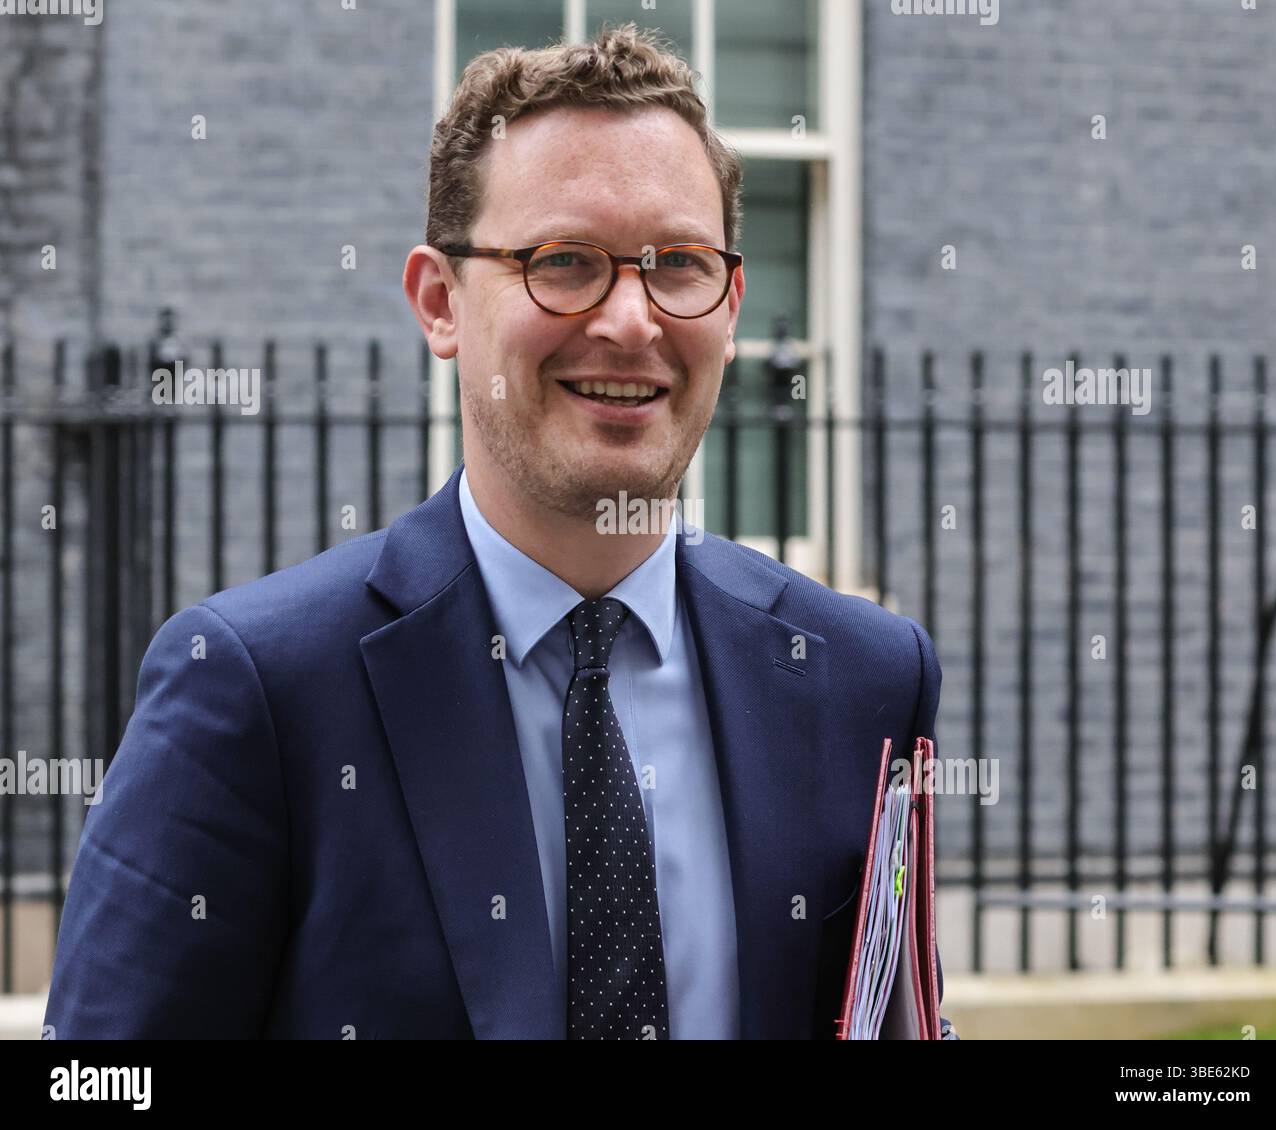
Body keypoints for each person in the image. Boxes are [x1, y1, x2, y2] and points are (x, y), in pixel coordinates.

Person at [44, 23, 947, 1040]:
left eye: (679, 263)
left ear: (731, 305)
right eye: (563, 261)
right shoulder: (256, 686)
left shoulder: (862, 675)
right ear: (440, 302)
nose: (632, 320)